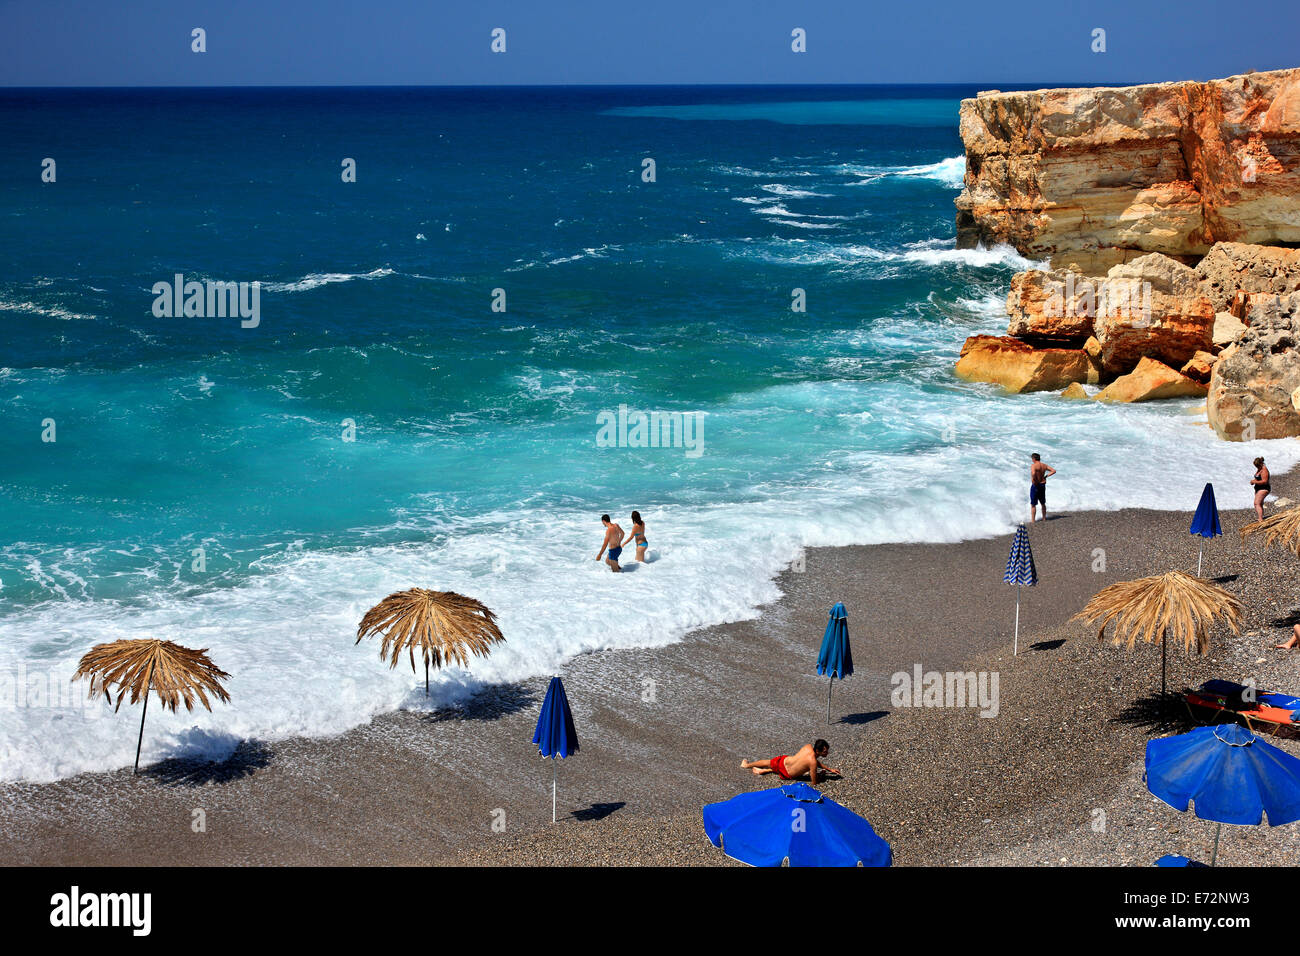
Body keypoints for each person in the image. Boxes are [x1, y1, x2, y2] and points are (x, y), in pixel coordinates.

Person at [741, 739, 840, 785]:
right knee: (808, 772)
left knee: (768, 762)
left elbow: (813, 762)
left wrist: (828, 769)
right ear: (818, 751)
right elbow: (814, 782)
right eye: (825, 751)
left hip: (783, 761)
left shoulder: (808, 747)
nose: (827, 753)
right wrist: (822, 776)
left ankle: (750, 766)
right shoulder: (813, 763)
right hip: (787, 774)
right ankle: (751, 767)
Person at [1029, 453, 1057, 523]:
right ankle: (1044, 518)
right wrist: (1046, 476)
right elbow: (1053, 471)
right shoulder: (1044, 465)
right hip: (1042, 485)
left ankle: (1033, 520)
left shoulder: (1033, 465)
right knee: (1043, 503)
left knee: (1033, 504)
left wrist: (1034, 480)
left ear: (1034, 459)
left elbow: (1033, 473)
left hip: (1036, 485)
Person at [1251, 456, 1271, 521]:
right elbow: (1258, 478)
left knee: (1256, 503)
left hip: (1264, 488)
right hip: (1258, 488)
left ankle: (1260, 519)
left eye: (1257, 466)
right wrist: (1253, 481)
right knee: (1260, 503)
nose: (1256, 467)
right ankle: (1261, 517)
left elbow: (1265, 481)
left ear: (1260, 464)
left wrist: (1255, 481)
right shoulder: (1260, 468)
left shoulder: (1264, 470)